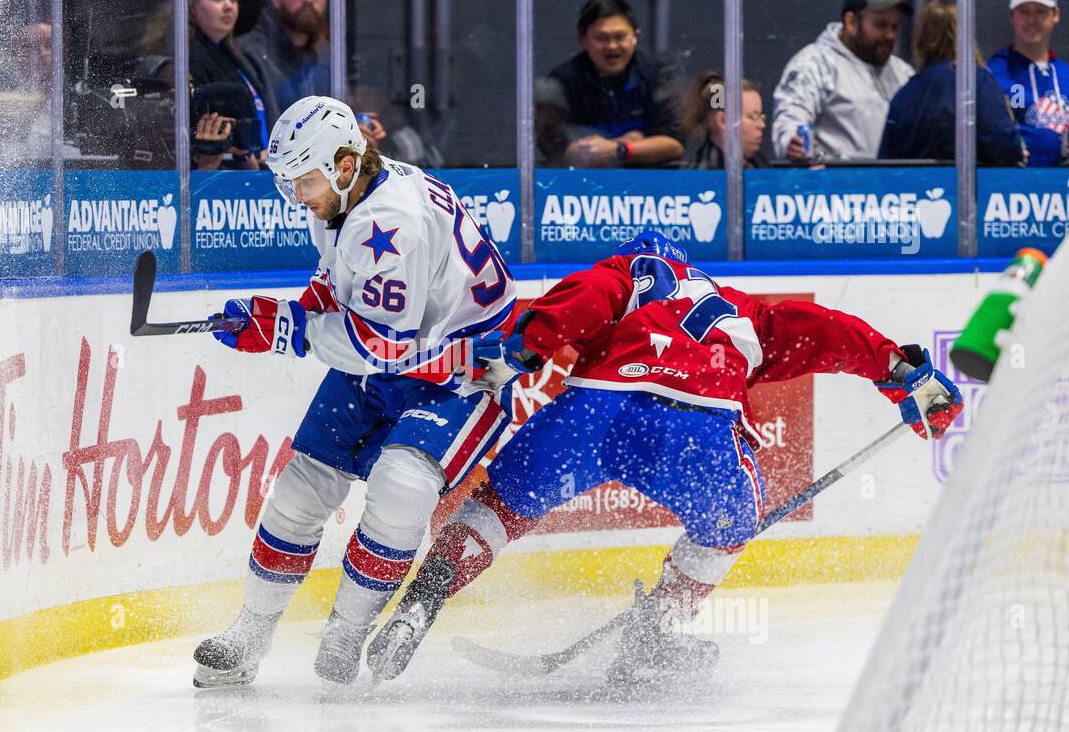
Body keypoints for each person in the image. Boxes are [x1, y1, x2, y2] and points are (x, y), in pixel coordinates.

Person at [366, 230, 964, 684]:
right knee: (729, 526)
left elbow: (586, 298)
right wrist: (902, 372)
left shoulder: (630, 272)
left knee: (498, 508)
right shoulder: (743, 313)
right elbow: (822, 331)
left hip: (592, 412)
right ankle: (656, 631)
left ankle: (424, 600)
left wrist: (527, 346)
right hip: (699, 427)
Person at [192, 95, 518, 688]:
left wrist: (285, 332)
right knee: (300, 489)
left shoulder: (391, 220)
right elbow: (341, 286)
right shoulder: (345, 197)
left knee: (400, 489)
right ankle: (250, 633)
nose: (297, 197)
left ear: (344, 165)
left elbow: (378, 345)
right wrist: (283, 311)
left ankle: (346, 632)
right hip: (396, 354)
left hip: (459, 368)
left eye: (304, 181)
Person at [237, 0, 387, 144]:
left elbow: (341, 119)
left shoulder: (327, 56)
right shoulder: (248, 53)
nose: (308, 0)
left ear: (326, 0)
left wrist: (358, 133)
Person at [772, 0, 914, 163]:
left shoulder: (903, 72)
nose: (890, 35)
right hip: (837, 187)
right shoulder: (815, 64)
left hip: (895, 188)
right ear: (851, 22)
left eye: (895, 26)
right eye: (881, 25)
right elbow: (792, 117)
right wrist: (792, 142)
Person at [879, 0, 1023, 166]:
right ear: (966, 36)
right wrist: (1017, 151)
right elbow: (1002, 143)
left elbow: (885, 163)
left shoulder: (904, 93)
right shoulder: (975, 81)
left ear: (922, 38)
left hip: (914, 188)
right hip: (968, 188)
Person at [545, 0, 683, 167]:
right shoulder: (563, 81)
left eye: (620, 37)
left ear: (635, 36)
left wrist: (619, 149)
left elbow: (674, 145)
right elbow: (558, 151)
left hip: (652, 185)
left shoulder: (657, 74)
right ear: (583, 40)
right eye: (601, 38)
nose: (612, 46)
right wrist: (628, 144)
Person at [187, 0, 275, 169]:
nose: (228, 6)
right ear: (191, 3)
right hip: (223, 183)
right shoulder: (185, 58)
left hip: (257, 175)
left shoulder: (235, 56)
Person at [988, 0, 1069, 167]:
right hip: (1015, 186)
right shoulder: (992, 73)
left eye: (1041, 12)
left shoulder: (1065, 73)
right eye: (1024, 12)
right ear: (1012, 16)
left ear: (1055, 14)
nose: (1032, 20)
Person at [680, 72, 769, 168]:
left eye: (761, 117)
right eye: (753, 117)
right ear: (723, 121)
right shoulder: (703, 175)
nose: (762, 125)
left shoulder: (758, 161)